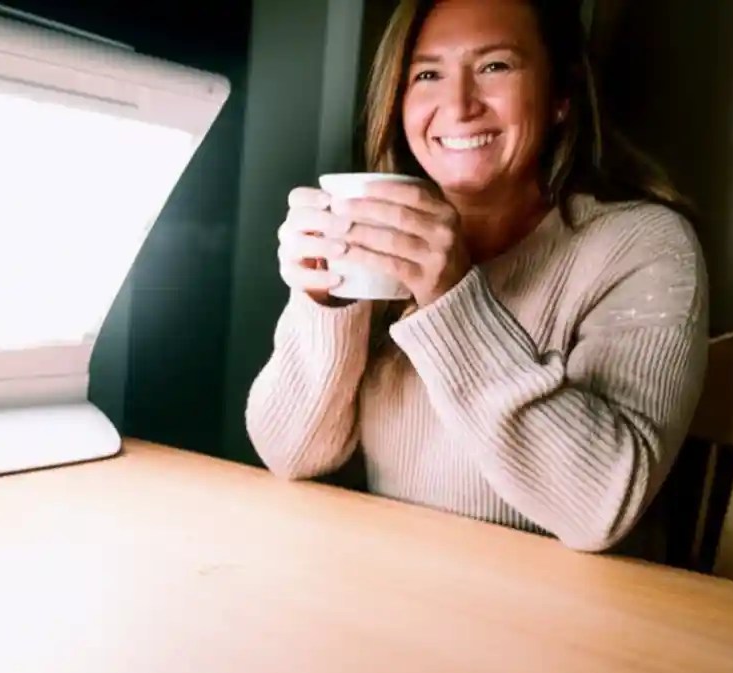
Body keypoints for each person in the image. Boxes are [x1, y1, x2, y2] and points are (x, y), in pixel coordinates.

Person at [245, 0, 708, 552]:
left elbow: (599, 509)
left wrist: (451, 298)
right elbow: (291, 454)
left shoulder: (643, 243)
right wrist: (325, 302)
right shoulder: (378, 242)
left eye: (495, 67)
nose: (459, 105)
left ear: (562, 95)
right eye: (428, 74)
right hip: (401, 588)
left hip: (572, 619)